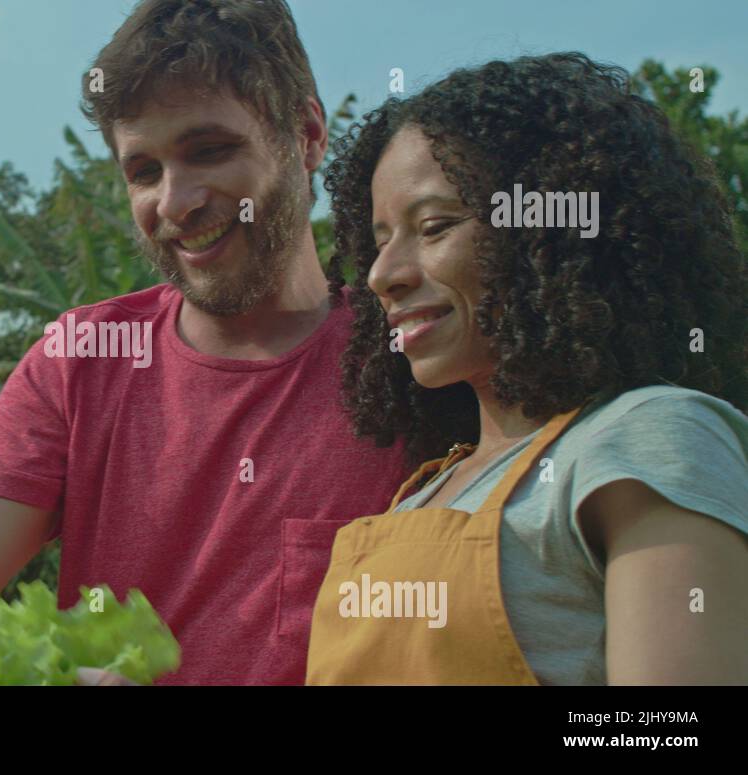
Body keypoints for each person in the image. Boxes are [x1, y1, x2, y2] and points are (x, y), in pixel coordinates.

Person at [0, 0, 411, 685]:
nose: (175, 202)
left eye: (209, 151)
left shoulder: (409, 356)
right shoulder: (80, 360)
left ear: (306, 133)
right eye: (144, 170)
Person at [306, 52, 748, 685]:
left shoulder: (651, 434)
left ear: (557, 234)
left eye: (434, 227)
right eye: (379, 242)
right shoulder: (425, 490)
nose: (381, 274)